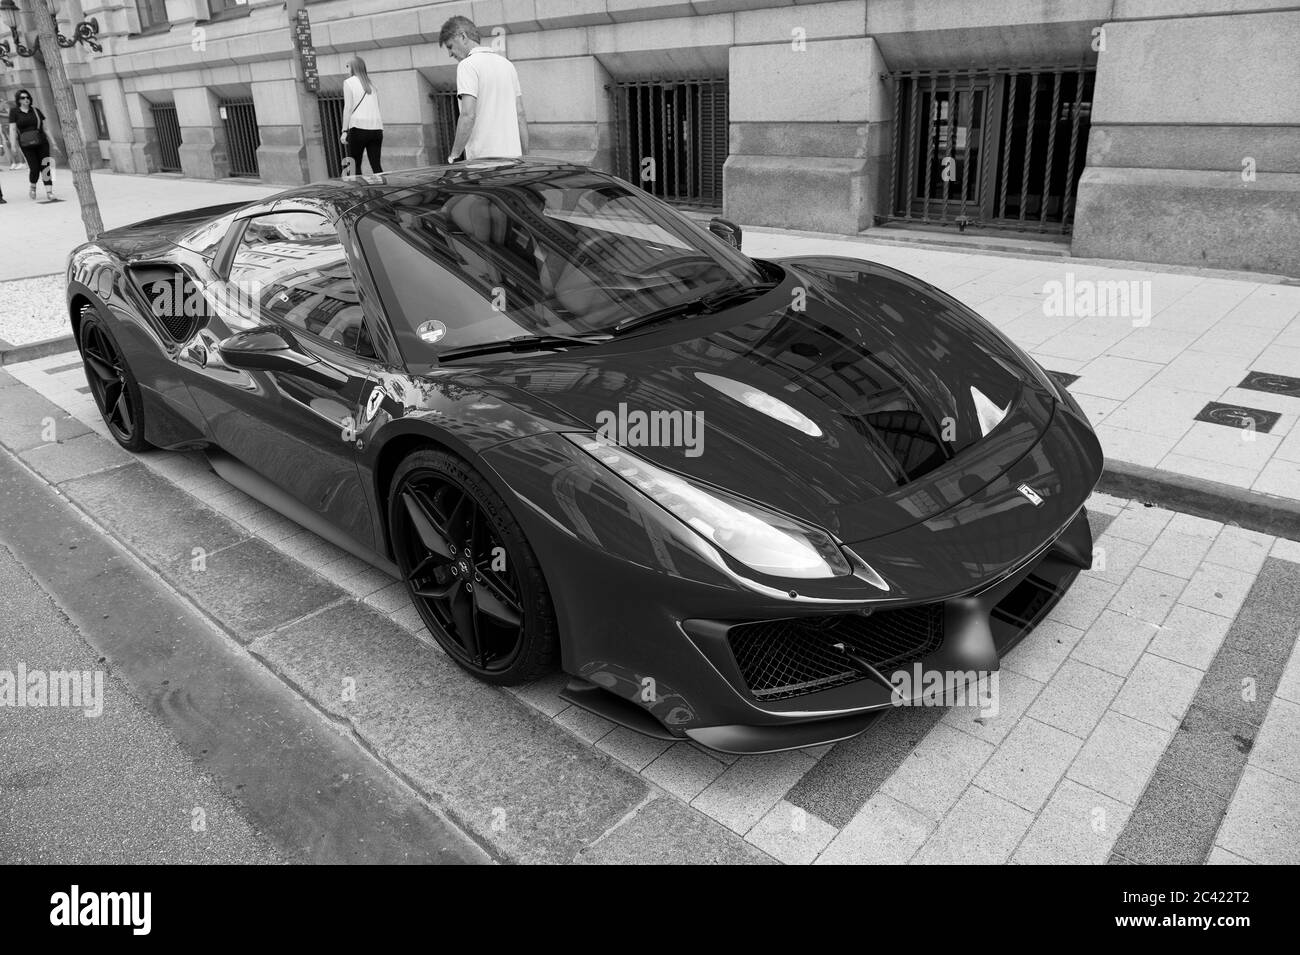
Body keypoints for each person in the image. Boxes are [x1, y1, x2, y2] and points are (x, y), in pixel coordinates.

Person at [439, 16, 528, 162]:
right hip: (514, 160)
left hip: (483, 162)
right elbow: (520, 115)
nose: (450, 54)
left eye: (450, 46)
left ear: (462, 36)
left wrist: (454, 156)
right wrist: (526, 157)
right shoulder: (507, 65)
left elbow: (468, 115)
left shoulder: (467, 65)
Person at [339, 56, 383, 175]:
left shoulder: (349, 82)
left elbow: (347, 108)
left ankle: (357, 192)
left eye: (347, 66)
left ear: (353, 67)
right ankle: (383, 188)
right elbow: (377, 107)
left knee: (353, 165)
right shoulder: (372, 85)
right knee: (376, 165)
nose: (346, 69)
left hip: (359, 128)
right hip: (376, 129)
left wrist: (344, 131)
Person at [9, 89, 55, 201]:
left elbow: (45, 128)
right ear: (18, 100)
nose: (26, 99)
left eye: (28, 97)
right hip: (26, 144)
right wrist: (13, 145)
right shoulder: (14, 112)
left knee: (46, 166)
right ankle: (33, 187)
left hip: (41, 142)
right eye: (23, 98)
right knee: (34, 168)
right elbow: (13, 129)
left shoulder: (36, 110)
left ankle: (49, 192)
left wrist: (53, 142)